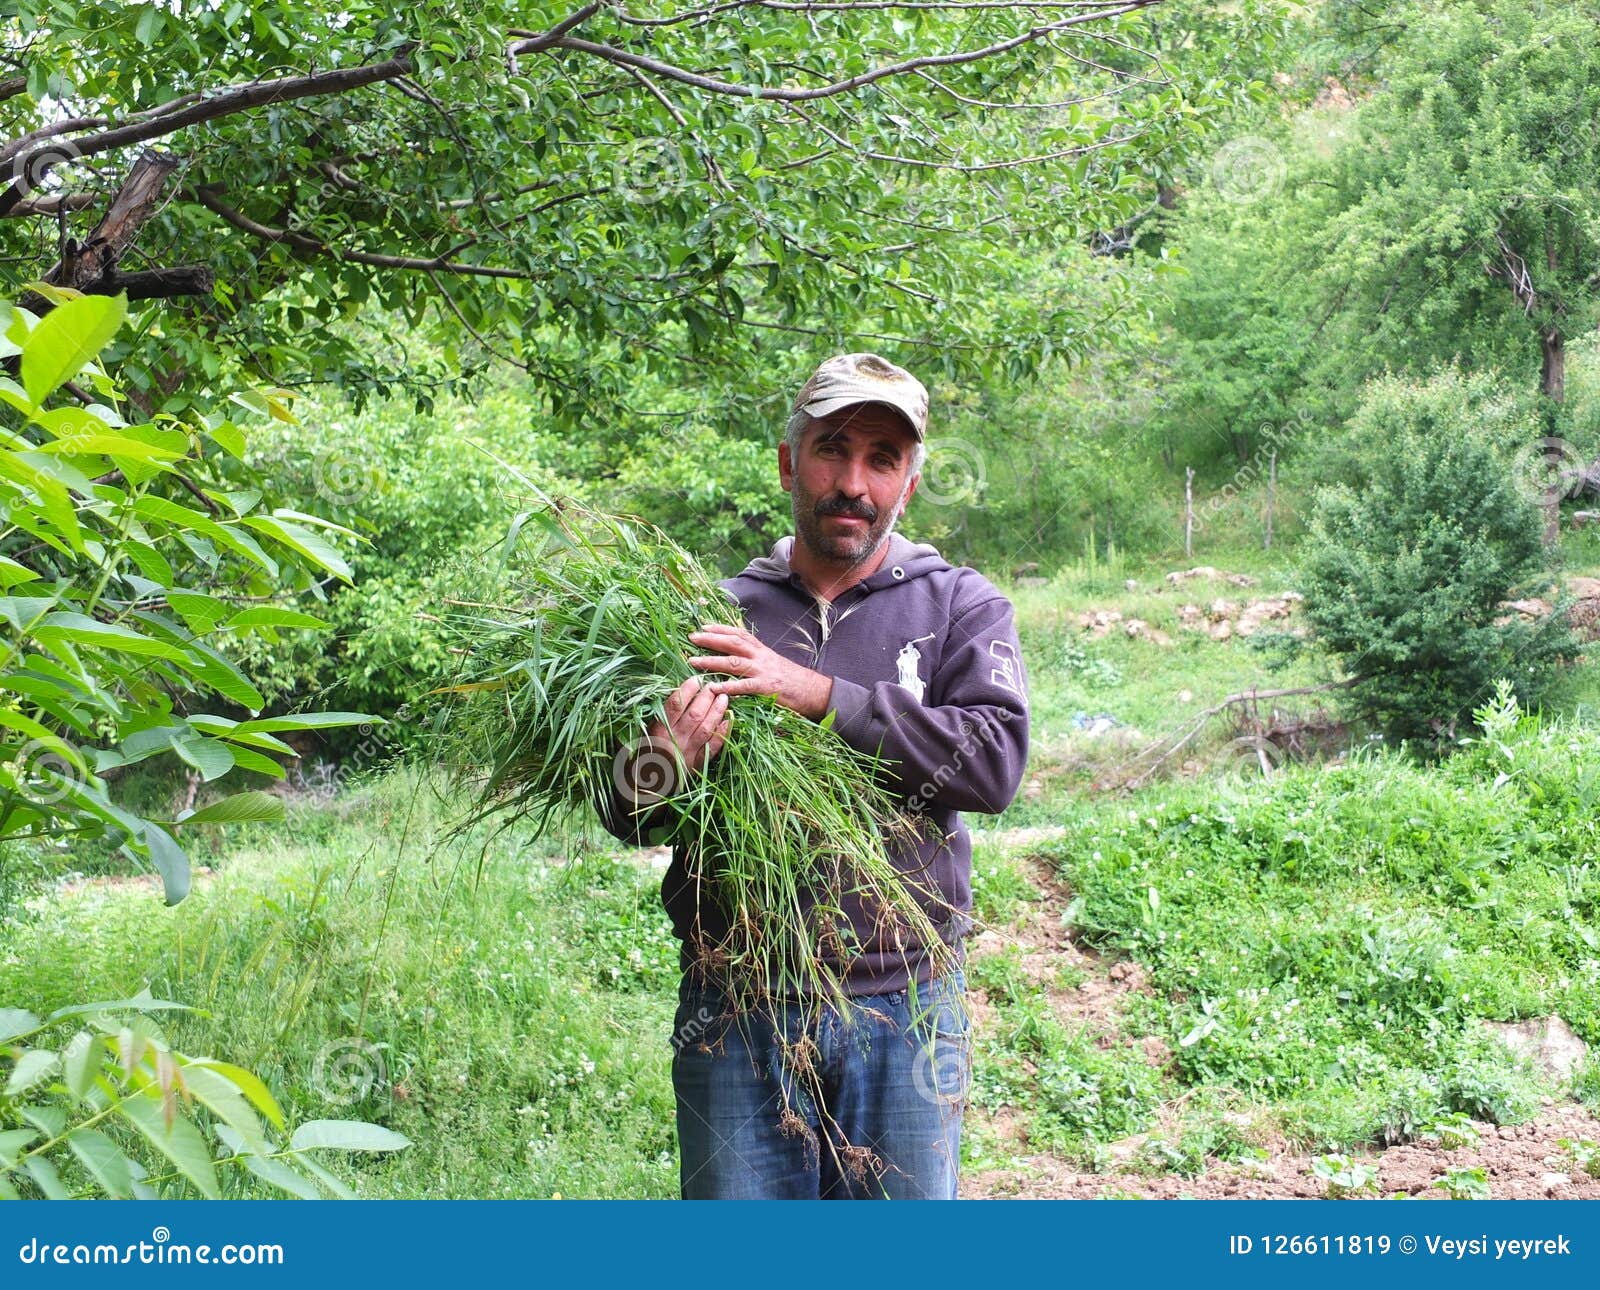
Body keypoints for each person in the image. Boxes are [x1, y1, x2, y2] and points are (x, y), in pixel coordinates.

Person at [598, 353, 1030, 1199]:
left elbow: (993, 761)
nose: (854, 483)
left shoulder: (960, 608)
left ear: (908, 481)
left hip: (905, 1007)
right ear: (790, 461)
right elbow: (624, 811)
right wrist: (663, 761)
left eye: (883, 460)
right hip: (736, 1009)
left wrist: (820, 695)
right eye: (833, 449)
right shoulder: (710, 617)